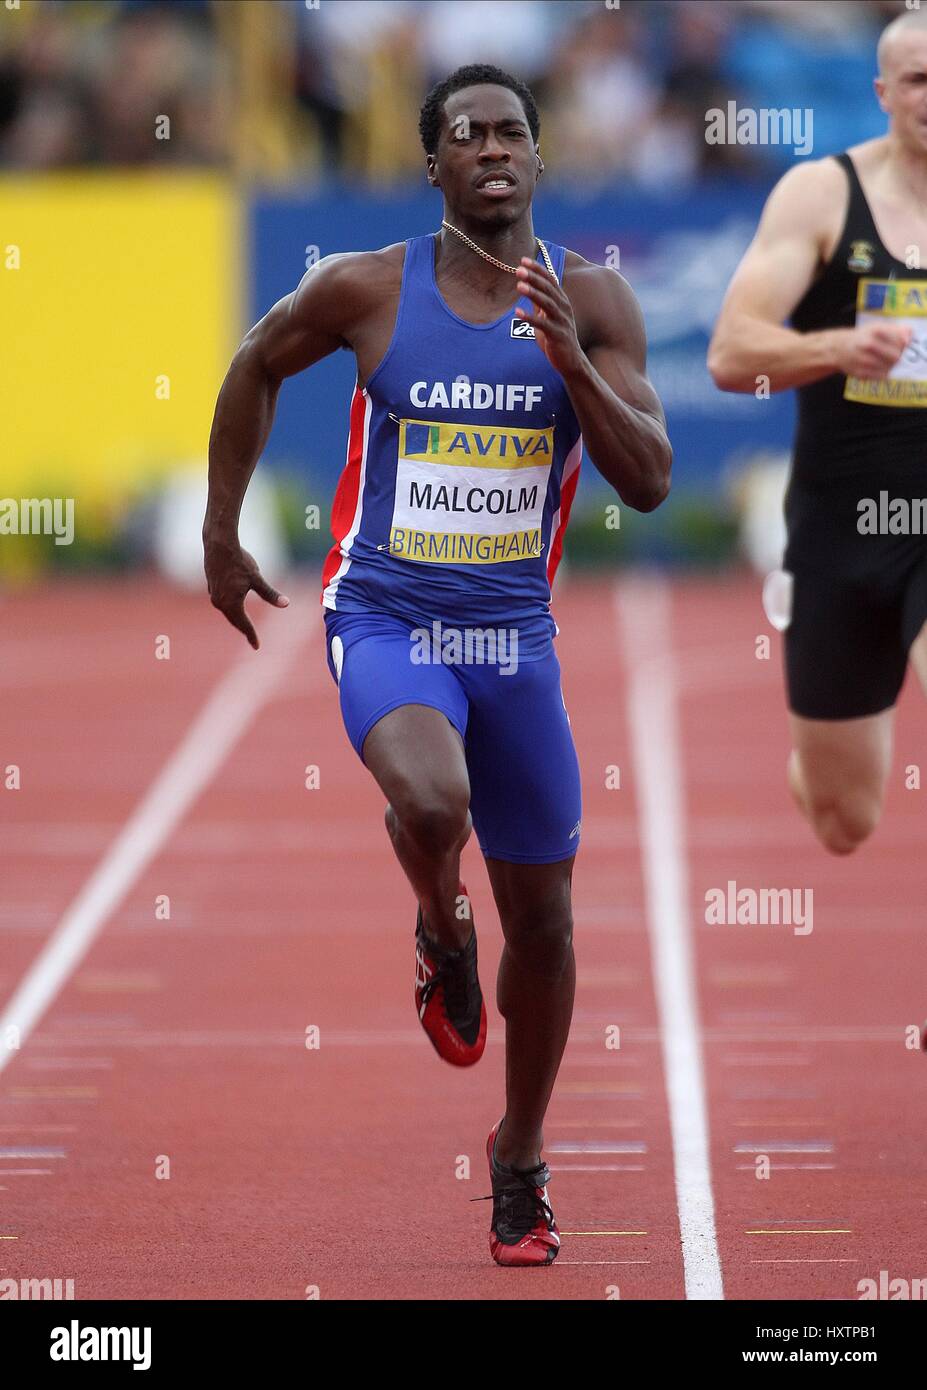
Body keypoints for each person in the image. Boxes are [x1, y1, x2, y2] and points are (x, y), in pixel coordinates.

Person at [204, 63, 670, 1266]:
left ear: (539, 156)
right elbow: (255, 364)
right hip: (389, 616)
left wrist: (571, 363)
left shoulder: (597, 300)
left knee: (553, 928)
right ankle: (439, 926)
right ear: (436, 166)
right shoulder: (363, 288)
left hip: (515, 642)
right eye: (468, 134)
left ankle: (519, 1153)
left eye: (513, 129)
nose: (494, 147)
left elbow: (653, 480)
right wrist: (219, 531)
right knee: (430, 797)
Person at [708, 11, 927, 857]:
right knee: (844, 820)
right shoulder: (820, 194)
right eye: (915, 79)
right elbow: (731, 353)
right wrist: (837, 345)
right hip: (840, 527)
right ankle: (816, 764)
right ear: (881, 93)